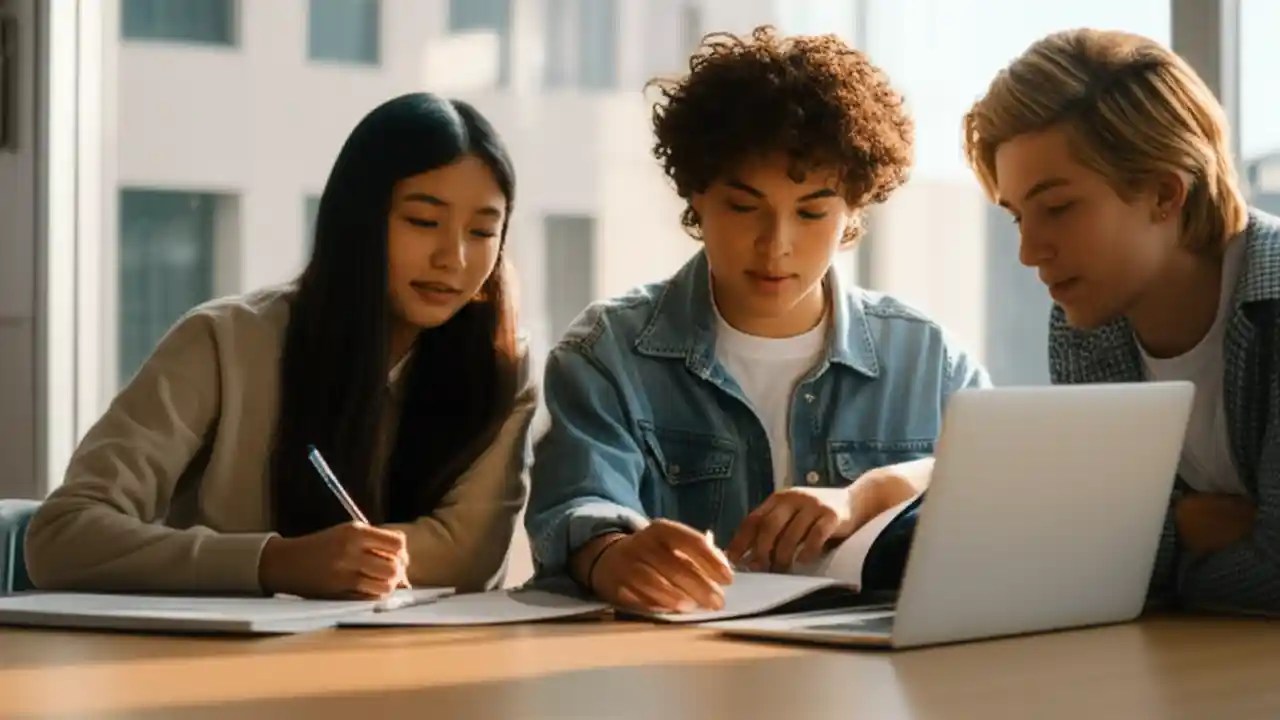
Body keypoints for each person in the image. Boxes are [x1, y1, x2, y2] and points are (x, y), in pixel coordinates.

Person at [526, 26, 989, 613]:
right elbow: (575, 507)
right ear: (696, 197)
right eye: (744, 208)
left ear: (852, 211)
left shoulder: (927, 357)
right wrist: (610, 555)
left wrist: (868, 495)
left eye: (813, 212)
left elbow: (1002, 483)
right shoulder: (609, 353)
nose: (776, 246)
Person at [25, 93, 537, 598]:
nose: (455, 257)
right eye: (423, 222)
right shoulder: (223, 342)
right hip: (202, 670)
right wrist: (273, 562)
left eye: (483, 231)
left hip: (423, 671)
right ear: (356, 219)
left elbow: (467, 554)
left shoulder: (501, 370)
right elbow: (62, 537)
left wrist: (337, 562)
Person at [964, 28, 1280, 613]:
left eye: (1057, 208)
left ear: (1164, 194)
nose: (1029, 252)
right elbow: (1095, 558)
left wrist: (1157, 537)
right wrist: (1187, 527)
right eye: (1017, 218)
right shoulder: (1085, 324)